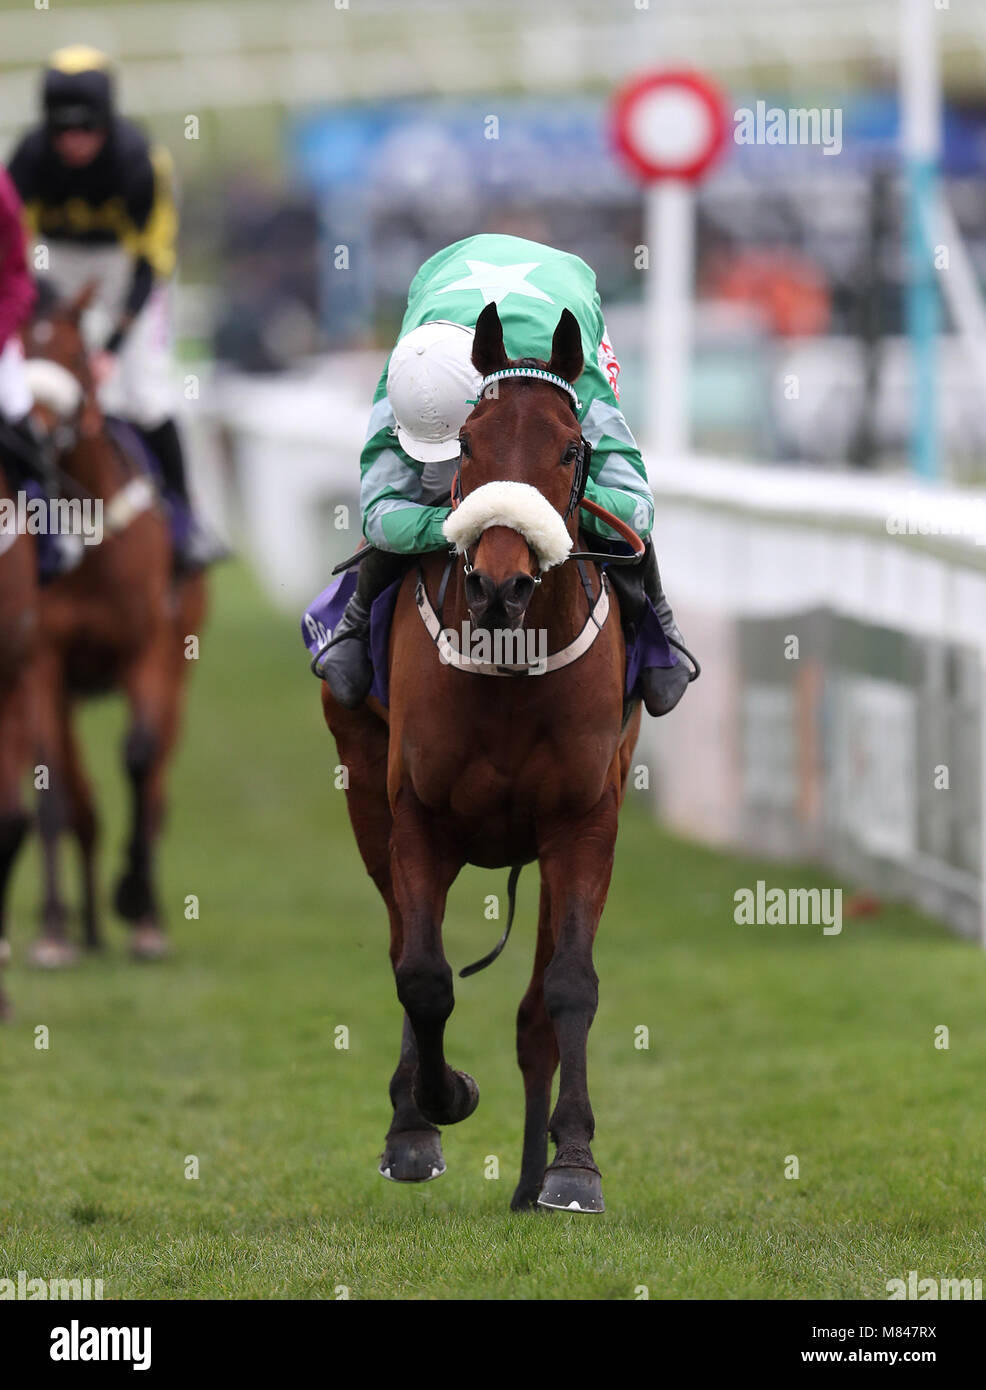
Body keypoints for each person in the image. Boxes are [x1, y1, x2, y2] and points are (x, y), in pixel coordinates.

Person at [320, 233, 696, 716]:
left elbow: (636, 510)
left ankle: (658, 623)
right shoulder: (407, 377)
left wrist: (546, 506)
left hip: (563, 298)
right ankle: (354, 623)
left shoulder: (582, 380)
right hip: (441, 291)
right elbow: (379, 516)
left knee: (580, 479)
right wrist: (468, 520)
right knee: (426, 491)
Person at [7, 45, 222, 569]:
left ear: (107, 123)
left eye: (87, 130)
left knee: (144, 394)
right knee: (34, 387)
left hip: (125, 270)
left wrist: (109, 347)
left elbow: (152, 261)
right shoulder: (28, 158)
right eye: (64, 132)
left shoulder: (142, 164)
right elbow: (12, 244)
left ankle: (184, 517)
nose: (75, 144)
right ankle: (39, 515)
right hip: (53, 266)